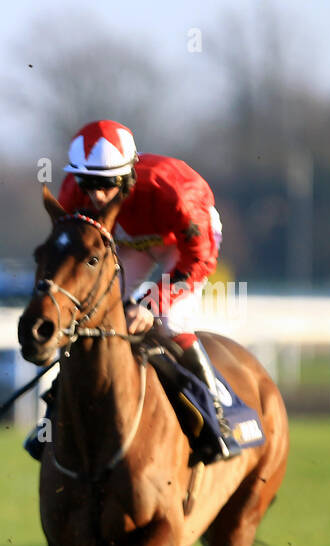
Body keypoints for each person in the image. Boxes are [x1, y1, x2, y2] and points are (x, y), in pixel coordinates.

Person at [51, 119, 240, 461]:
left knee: (169, 320)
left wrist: (150, 306)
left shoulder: (176, 194)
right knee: (91, 314)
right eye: (87, 182)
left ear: (127, 175)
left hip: (183, 244)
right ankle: (58, 409)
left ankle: (216, 414)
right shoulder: (71, 195)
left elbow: (198, 259)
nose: (95, 195)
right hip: (128, 242)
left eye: (106, 184)